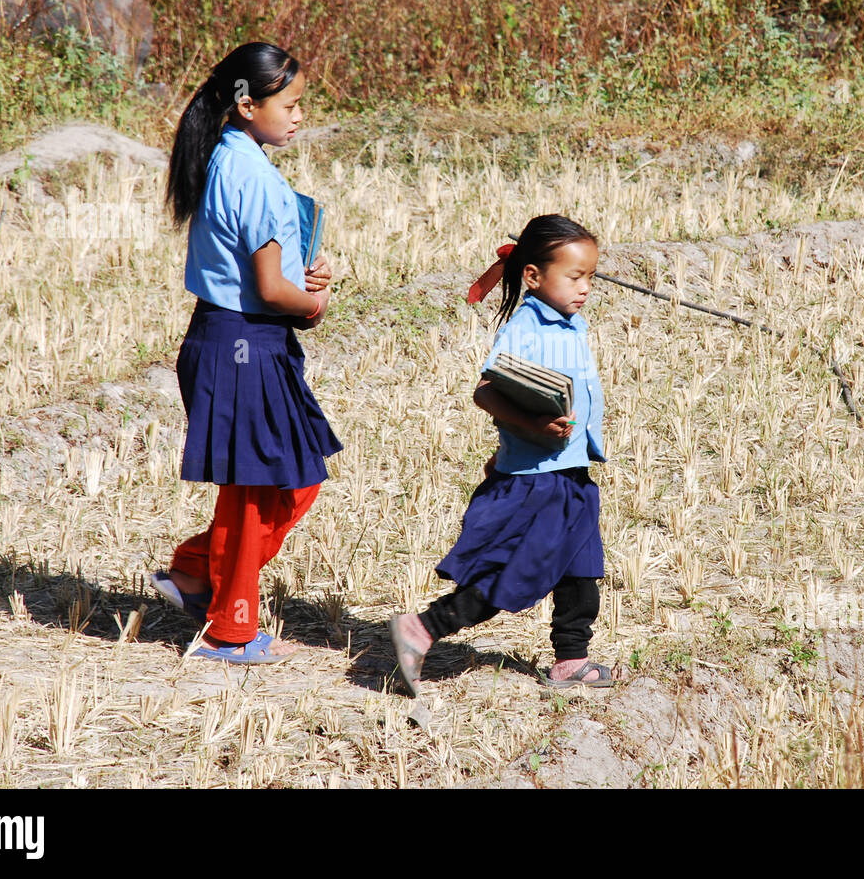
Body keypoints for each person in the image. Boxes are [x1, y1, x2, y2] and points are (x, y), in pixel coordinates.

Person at [149, 41, 342, 664]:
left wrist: (298, 290)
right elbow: (269, 288)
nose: (298, 115)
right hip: (244, 345)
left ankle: (194, 571)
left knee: (281, 482)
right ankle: (231, 630)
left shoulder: (228, 157)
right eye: (289, 103)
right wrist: (315, 302)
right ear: (246, 103)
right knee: (262, 491)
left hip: (227, 338)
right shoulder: (252, 175)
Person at [390, 214, 612, 694]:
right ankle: (425, 627)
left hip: (570, 473)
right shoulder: (525, 328)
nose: (585, 288)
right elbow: (488, 392)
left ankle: (572, 659)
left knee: (581, 570)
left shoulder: (573, 324)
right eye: (575, 277)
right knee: (517, 573)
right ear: (533, 275)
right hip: (538, 478)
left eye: (590, 277)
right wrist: (531, 426)